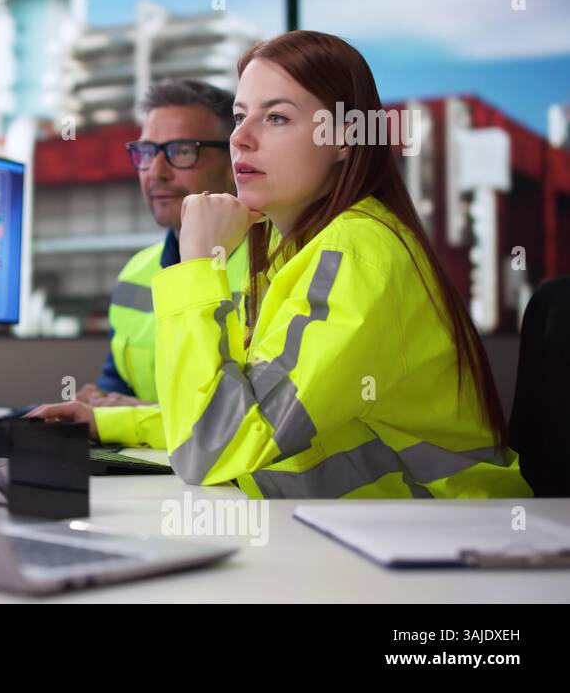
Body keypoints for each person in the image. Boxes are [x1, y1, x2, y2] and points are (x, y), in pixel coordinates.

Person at [31, 30, 531, 499]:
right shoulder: (298, 252)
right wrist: (105, 422)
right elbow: (242, 413)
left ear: (343, 139)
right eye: (241, 116)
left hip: (446, 553)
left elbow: (214, 447)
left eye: (276, 118)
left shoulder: (356, 253)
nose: (241, 139)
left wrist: (196, 266)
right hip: (364, 535)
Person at [77, 79, 248, 408]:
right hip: (136, 458)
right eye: (146, 152)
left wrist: (128, 415)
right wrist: (98, 402)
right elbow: (120, 384)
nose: (156, 172)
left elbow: (257, 417)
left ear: (233, 161)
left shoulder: (277, 264)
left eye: (181, 151)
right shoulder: (136, 273)